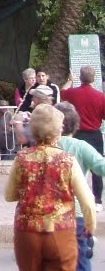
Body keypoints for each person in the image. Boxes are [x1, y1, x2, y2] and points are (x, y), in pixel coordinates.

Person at [5, 104, 96, 271]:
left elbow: (9, 195)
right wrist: (89, 226)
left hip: (27, 233)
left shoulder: (21, 159)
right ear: (57, 130)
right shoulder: (67, 160)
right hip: (60, 232)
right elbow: (87, 201)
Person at [57, 101, 105, 271]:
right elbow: (102, 167)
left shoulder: (43, 148)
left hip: (48, 214)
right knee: (81, 258)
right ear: (76, 125)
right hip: (76, 213)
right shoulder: (81, 147)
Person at [61, 66, 105, 211]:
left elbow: (62, 92)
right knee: (96, 167)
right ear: (94, 78)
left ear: (80, 78)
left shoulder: (73, 94)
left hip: (77, 134)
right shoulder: (101, 97)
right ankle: (98, 201)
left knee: (75, 167)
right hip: (95, 134)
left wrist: (69, 80)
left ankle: (76, 198)